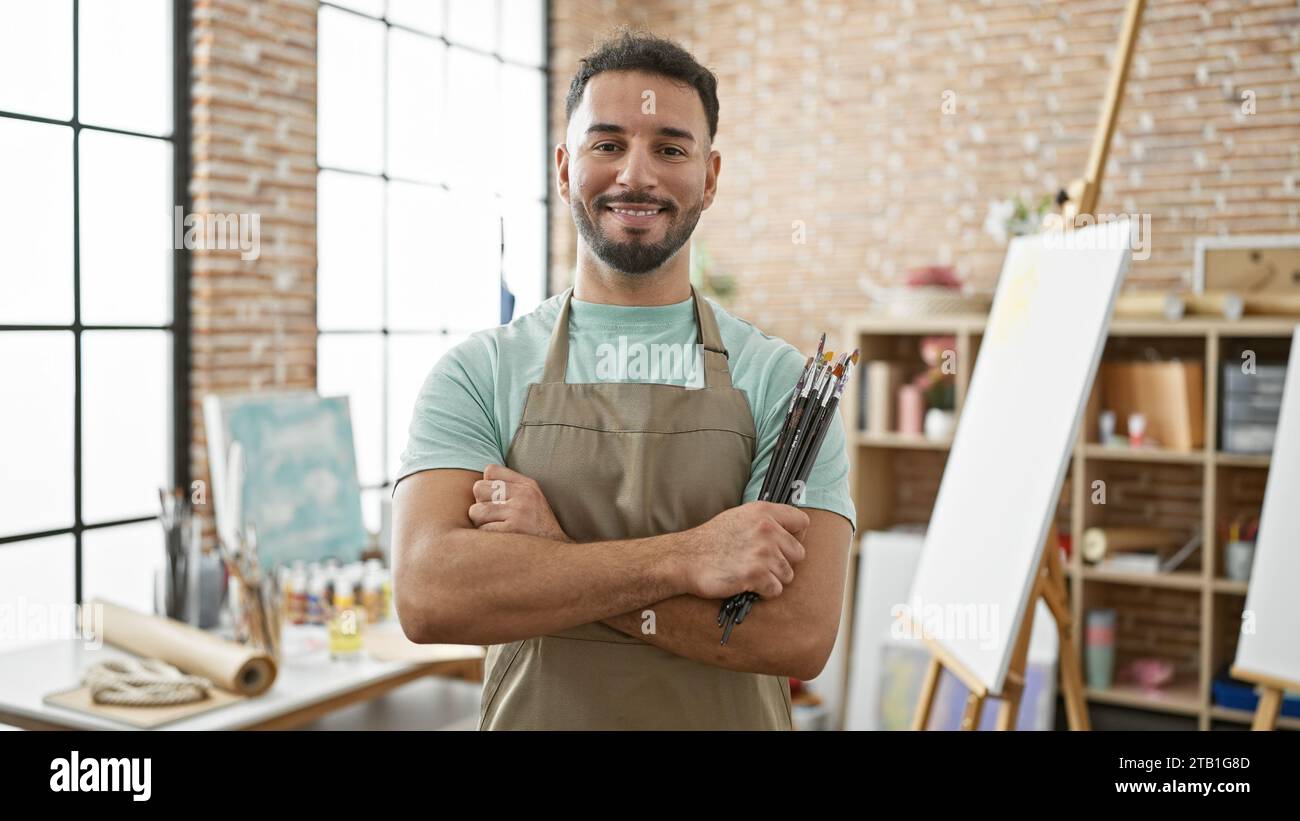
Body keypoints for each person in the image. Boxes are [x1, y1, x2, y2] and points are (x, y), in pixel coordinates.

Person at [391, 30, 855, 730]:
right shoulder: (476, 373)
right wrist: (688, 558)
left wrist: (552, 559)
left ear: (711, 175)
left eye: (670, 148)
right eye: (607, 144)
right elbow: (429, 598)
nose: (636, 176)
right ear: (562, 166)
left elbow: (797, 637)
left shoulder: (784, 382)